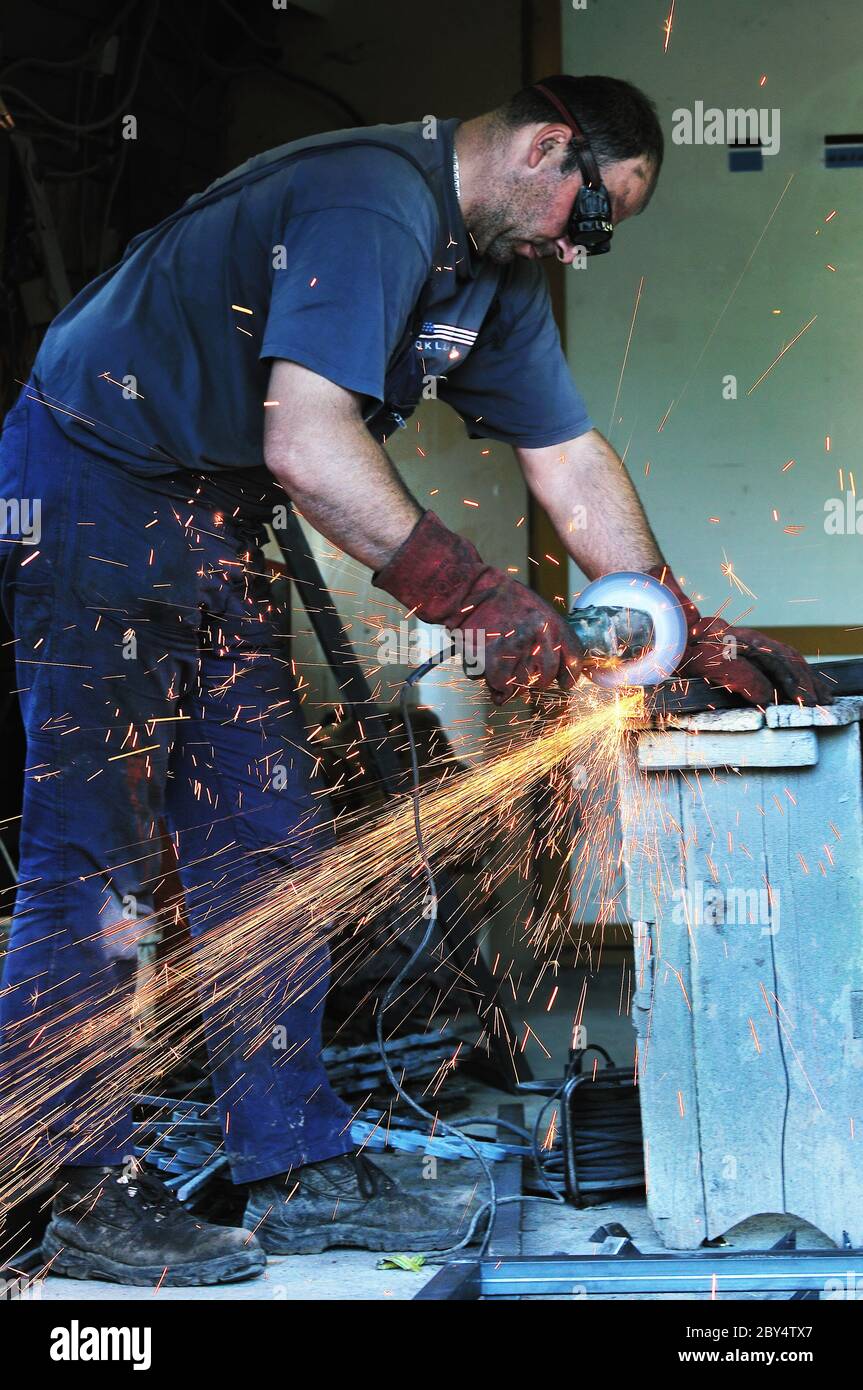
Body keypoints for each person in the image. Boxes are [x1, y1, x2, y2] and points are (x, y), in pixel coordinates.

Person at [0, 73, 828, 1287]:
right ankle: (72, 1185)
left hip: (217, 519)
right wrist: (473, 596)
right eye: (590, 219)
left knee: (268, 841)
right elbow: (306, 441)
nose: (582, 249)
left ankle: (290, 1167)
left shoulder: (495, 274)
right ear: (549, 149)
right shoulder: (372, 203)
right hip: (94, 486)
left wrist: (677, 627)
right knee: (99, 854)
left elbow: (565, 456)